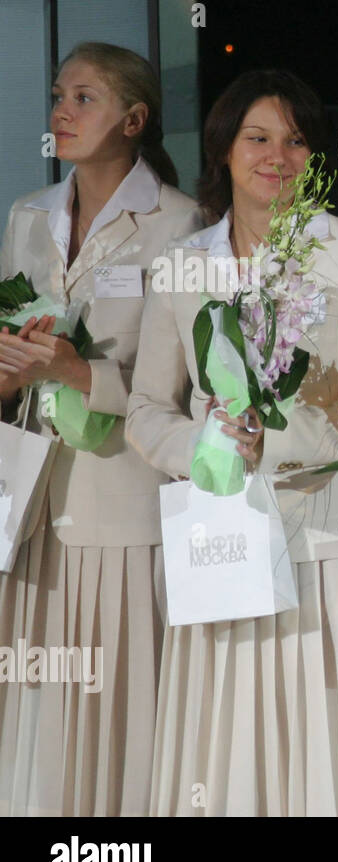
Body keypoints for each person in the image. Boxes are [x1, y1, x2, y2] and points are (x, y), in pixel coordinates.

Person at [125, 69, 338, 815]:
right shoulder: (184, 266)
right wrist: (209, 448)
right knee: (227, 758)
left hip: (330, 540)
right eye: (258, 138)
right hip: (222, 540)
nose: (277, 156)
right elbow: (148, 409)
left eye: (296, 140)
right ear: (223, 149)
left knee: (334, 757)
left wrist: (321, 409)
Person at [0, 42, 203, 816]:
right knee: (38, 695)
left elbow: (185, 390)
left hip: (123, 493)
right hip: (31, 497)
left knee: (118, 695)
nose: (61, 111)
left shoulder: (183, 225)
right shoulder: (26, 215)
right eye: (57, 95)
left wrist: (74, 371)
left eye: (83, 97)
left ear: (134, 119)